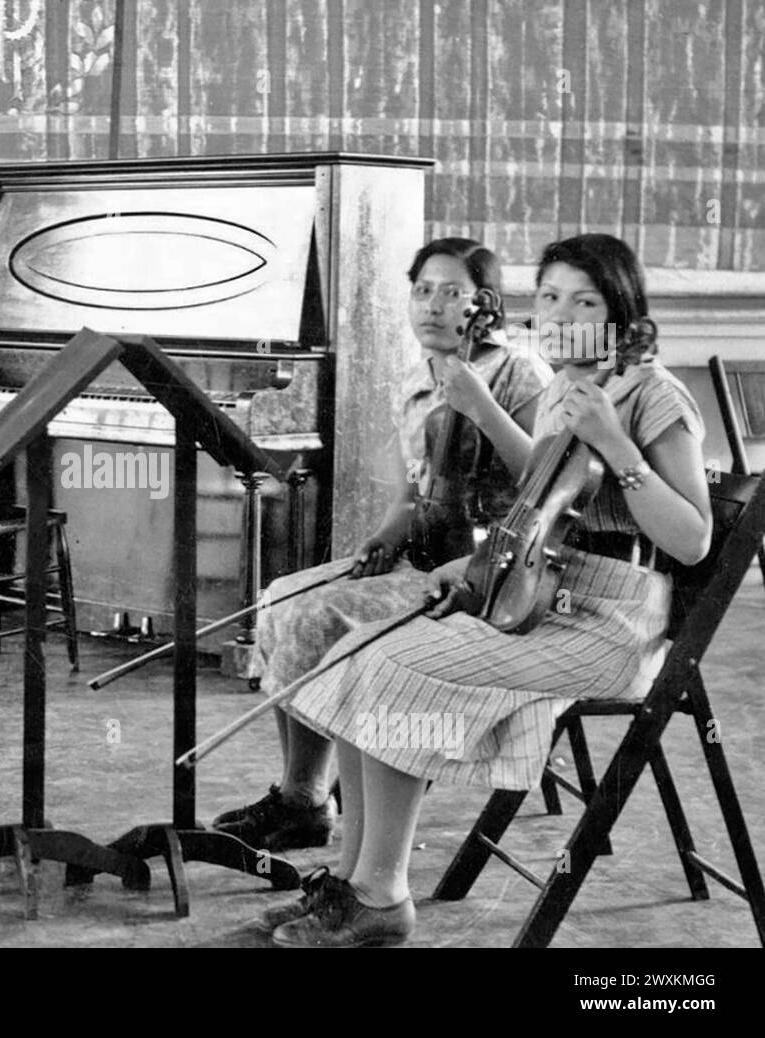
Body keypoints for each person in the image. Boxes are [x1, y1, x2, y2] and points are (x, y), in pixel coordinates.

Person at [266, 233, 710, 947]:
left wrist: (619, 447)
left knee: (395, 670)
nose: (564, 312)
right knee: (353, 653)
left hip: (615, 623)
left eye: (585, 300)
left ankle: (384, 895)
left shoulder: (657, 395)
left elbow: (691, 539)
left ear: (622, 315)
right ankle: (350, 882)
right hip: (547, 590)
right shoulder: (568, 385)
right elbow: (541, 499)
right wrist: (472, 568)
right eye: (553, 297)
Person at [214, 238, 552, 852]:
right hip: (421, 553)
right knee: (283, 597)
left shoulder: (520, 372)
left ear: (487, 304)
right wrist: (381, 537)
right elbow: (411, 496)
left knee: (322, 616)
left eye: (454, 292)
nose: (433, 304)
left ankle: (304, 800)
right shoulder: (415, 379)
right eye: (423, 290)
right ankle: (304, 794)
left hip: (486, 572)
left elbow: (544, 484)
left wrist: (480, 405)